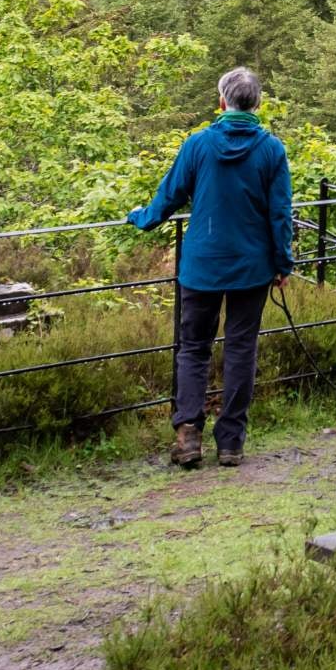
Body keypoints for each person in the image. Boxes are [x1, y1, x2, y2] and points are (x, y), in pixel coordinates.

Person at [127, 65, 295, 469]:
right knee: (240, 350)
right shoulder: (271, 150)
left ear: (221, 102)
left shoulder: (198, 144)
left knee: (193, 350)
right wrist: (282, 262)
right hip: (252, 268)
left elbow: (170, 195)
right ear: (257, 104)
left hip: (201, 266)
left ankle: (188, 437)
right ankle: (231, 442)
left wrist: (142, 217)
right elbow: (280, 215)